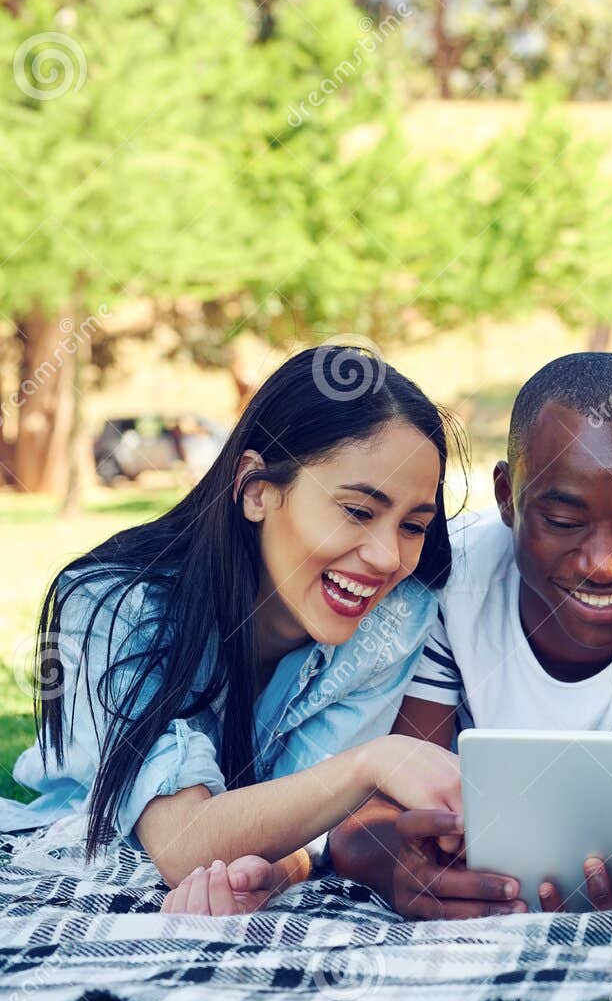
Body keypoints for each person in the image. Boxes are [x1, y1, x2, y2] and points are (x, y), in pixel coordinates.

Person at [0, 345, 465, 916]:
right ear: (255, 489)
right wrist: (376, 761)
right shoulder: (114, 604)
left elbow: (309, 826)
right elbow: (182, 842)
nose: (387, 557)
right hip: (85, 845)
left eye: (414, 525)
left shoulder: (397, 617)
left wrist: (273, 867)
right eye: (358, 512)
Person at [329, 352, 612, 918]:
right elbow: (374, 819)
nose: (605, 563)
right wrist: (402, 868)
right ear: (506, 497)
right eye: (564, 521)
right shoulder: (452, 579)